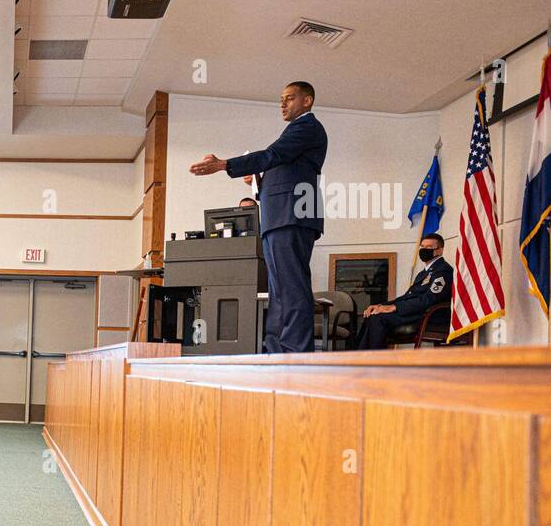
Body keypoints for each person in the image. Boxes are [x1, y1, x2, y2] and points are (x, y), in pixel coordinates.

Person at [190, 80, 328, 353]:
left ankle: (295, 352)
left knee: (292, 286)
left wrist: (224, 165)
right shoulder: (295, 131)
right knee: (278, 291)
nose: (282, 103)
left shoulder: (307, 127)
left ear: (307, 100)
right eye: (281, 99)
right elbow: (283, 165)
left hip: (292, 215)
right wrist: (259, 180)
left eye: (289, 98)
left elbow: (273, 155)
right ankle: (276, 349)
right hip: (278, 217)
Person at [355, 233, 454, 349]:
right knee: (371, 314)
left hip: (428, 315)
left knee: (378, 318)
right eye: (422, 247)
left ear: (439, 251)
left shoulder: (443, 271)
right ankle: (357, 357)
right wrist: (381, 305)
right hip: (415, 312)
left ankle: (375, 361)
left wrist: (395, 308)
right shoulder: (424, 273)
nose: (424, 250)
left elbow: (428, 300)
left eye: (429, 247)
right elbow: (407, 297)